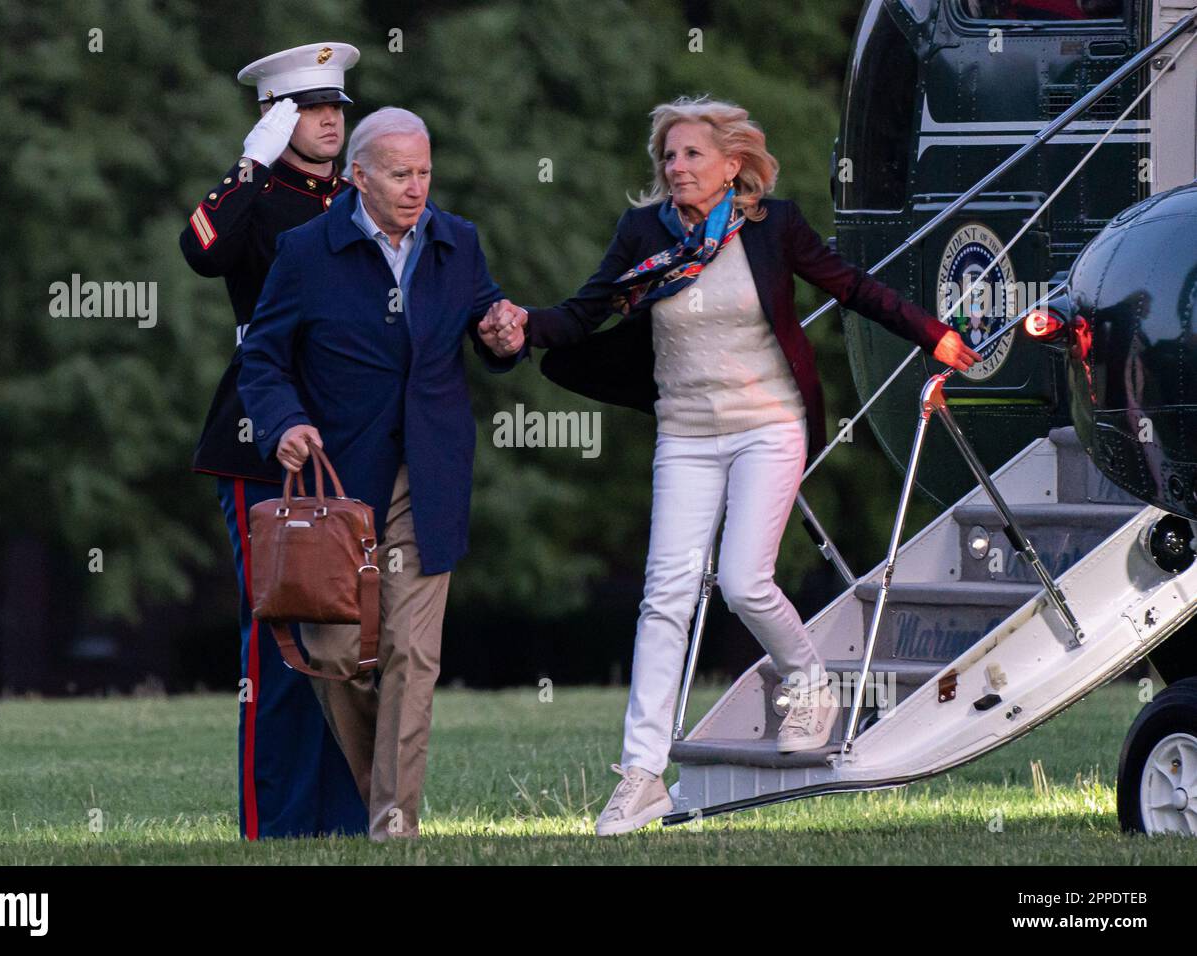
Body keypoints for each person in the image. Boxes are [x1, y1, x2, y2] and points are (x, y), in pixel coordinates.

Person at [490, 95, 980, 836]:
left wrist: (931, 334)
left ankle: (809, 681)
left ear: (732, 165)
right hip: (685, 433)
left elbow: (851, 287)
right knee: (666, 596)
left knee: (747, 583)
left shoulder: (772, 226)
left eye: (691, 154)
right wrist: (522, 326)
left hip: (769, 425)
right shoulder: (643, 234)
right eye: (668, 156)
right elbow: (584, 313)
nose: (676, 167)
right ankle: (642, 775)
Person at [237, 107, 528, 841]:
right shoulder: (306, 251)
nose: (415, 187)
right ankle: (380, 801)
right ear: (359, 175)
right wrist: (286, 423)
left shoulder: (456, 241)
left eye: (424, 171)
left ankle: (394, 827)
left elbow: (487, 322)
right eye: (399, 174)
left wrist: (501, 335)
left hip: (428, 476)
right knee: (335, 653)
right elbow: (262, 358)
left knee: (412, 651)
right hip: (339, 484)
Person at [178, 42, 367, 840]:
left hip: (352, 434)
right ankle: (282, 828)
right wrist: (246, 168)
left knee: (355, 641)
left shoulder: (361, 202)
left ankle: (351, 821)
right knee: (285, 637)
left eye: (336, 109)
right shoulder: (257, 197)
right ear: (275, 119)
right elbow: (201, 250)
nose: (329, 121)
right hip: (264, 439)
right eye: (309, 109)